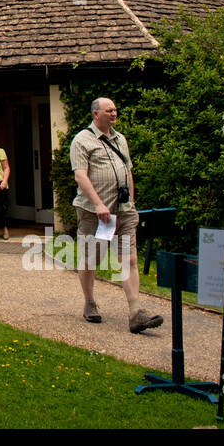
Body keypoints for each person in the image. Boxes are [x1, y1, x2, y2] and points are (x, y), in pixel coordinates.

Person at [70, 97, 163, 333]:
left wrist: (131, 202)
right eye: (108, 110)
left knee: (129, 259)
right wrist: (99, 204)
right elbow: (81, 176)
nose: (113, 114)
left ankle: (135, 312)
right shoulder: (82, 141)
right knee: (91, 260)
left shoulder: (120, 139)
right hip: (94, 213)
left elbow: (127, 171)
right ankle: (89, 302)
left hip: (123, 211)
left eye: (115, 110)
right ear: (95, 114)